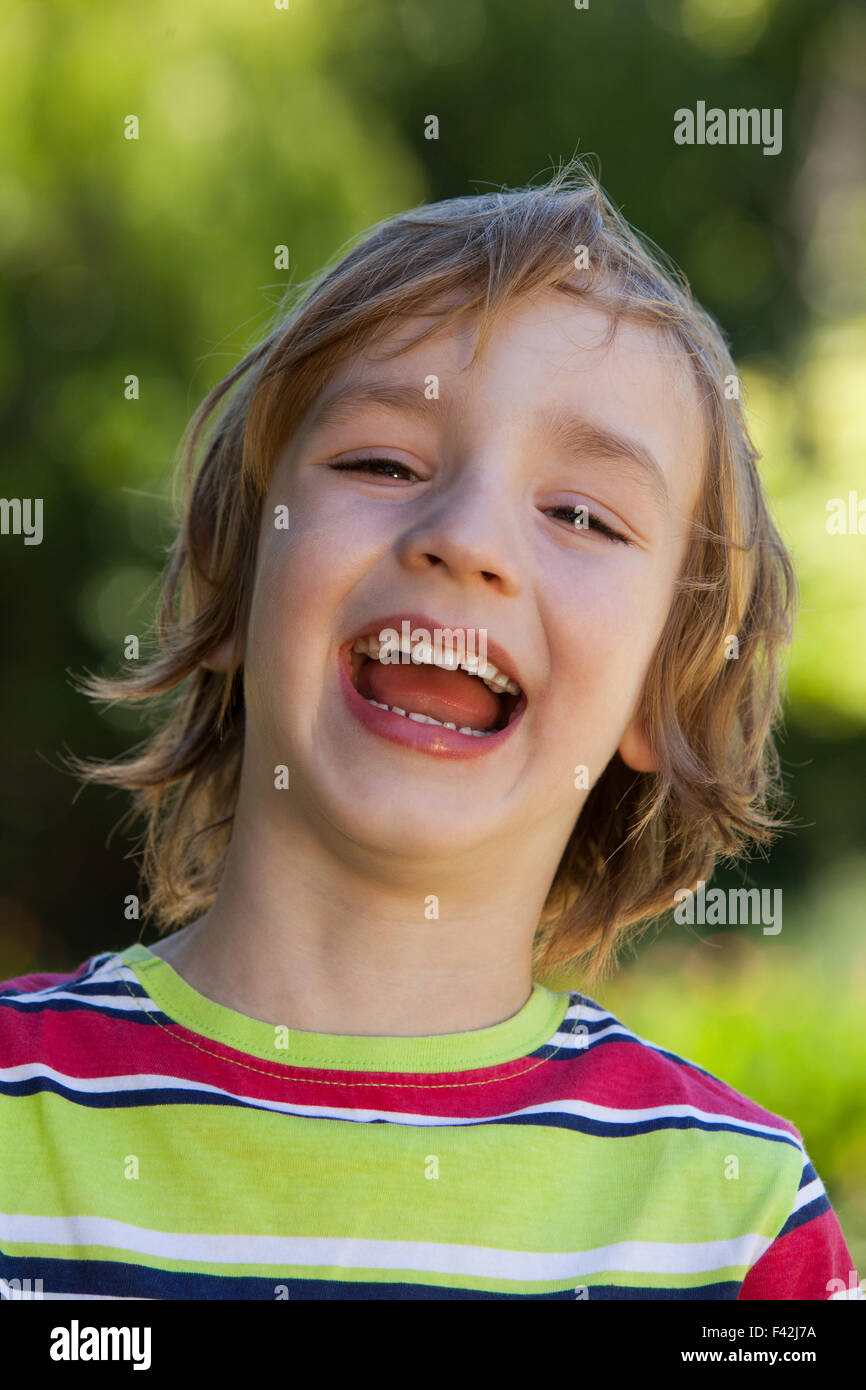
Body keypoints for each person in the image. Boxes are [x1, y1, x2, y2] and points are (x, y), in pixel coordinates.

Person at [1, 160, 860, 1300]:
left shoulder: (734, 1222)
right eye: (380, 462)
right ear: (232, 572)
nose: (465, 537)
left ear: (663, 687)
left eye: (580, 514)